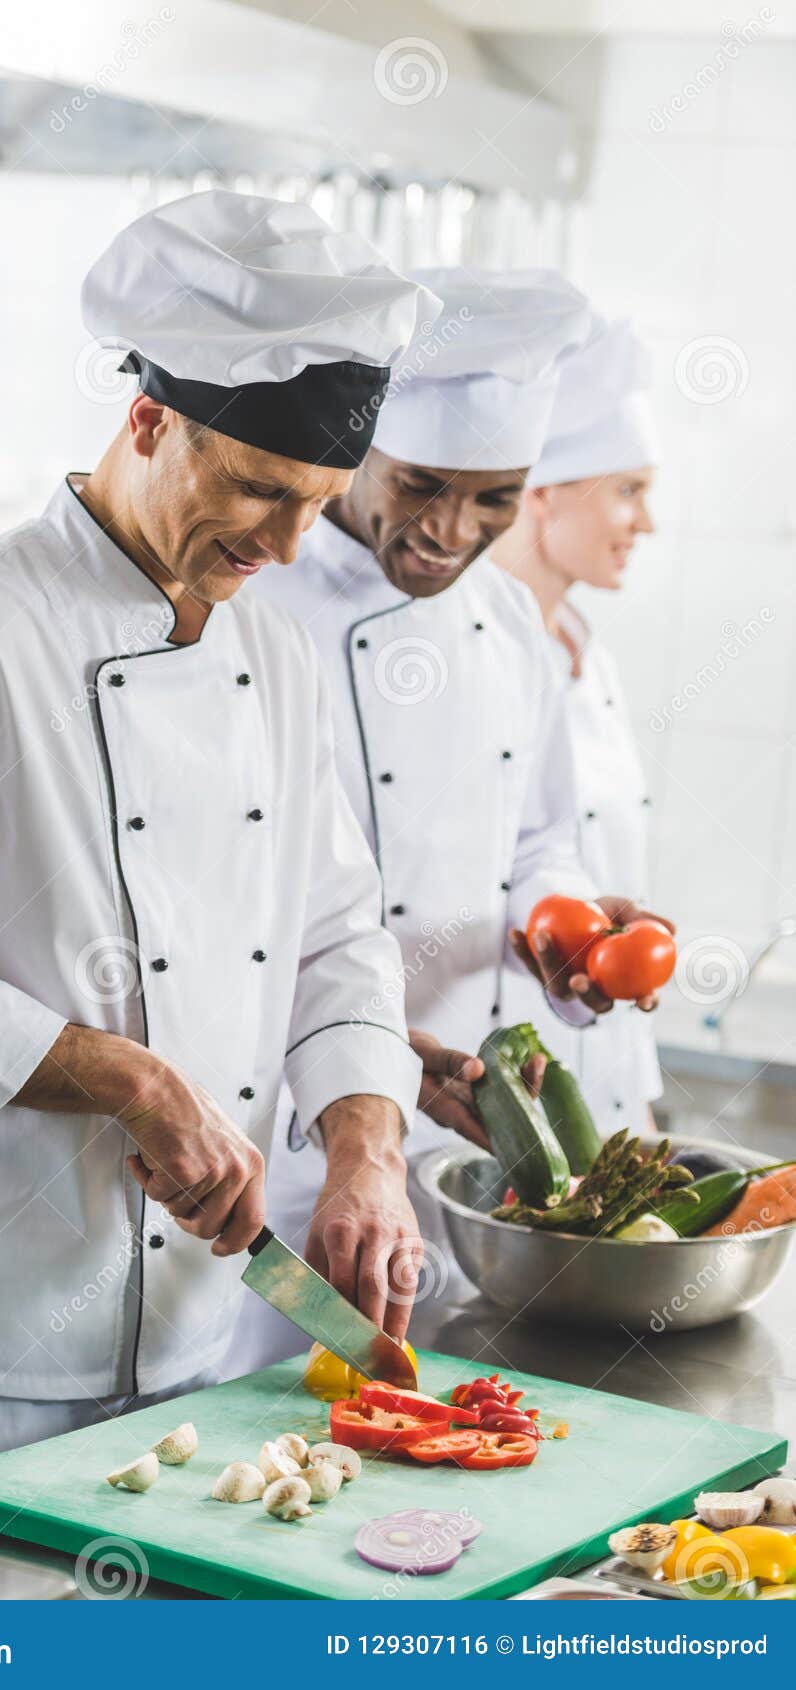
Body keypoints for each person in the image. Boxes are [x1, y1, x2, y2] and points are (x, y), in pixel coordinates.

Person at [0, 191, 437, 1520]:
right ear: (148, 422)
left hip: (198, 1330)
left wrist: (367, 1146)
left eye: (318, 504)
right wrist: (133, 1079)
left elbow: (335, 931)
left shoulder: (275, 650)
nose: (284, 545)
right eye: (259, 488)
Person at [227, 270, 670, 1376]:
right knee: (267, 1423)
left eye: (494, 501)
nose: (448, 530)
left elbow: (538, 840)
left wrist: (566, 933)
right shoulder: (248, 603)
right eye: (420, 485)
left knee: (429, 1420)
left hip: (462, 1135)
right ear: (358, 452)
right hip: (280, 1138)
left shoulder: (509, 622)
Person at [492, 317, 663, 1129]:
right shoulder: (474, 659)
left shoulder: (591, 658)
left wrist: (639, 1099)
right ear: (543, 493)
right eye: (628, 490)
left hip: (607, 1075)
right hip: (509, 1083)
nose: (646, 522)